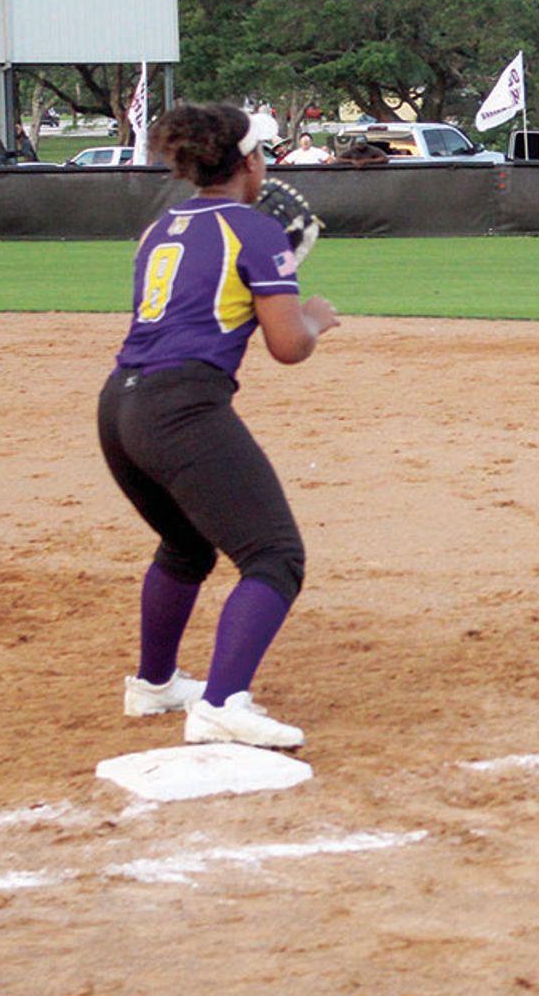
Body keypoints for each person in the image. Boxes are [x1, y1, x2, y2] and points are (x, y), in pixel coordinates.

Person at [99, 102, 340, 748]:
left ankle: (154, 685)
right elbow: (287, 346)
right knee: (274, 555)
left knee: (186, 545)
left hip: (119, 407)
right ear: (248, 160)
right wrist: (314, 314)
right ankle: (222, 700)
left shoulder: (161, 225)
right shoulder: (254, 229)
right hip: (180, 405)